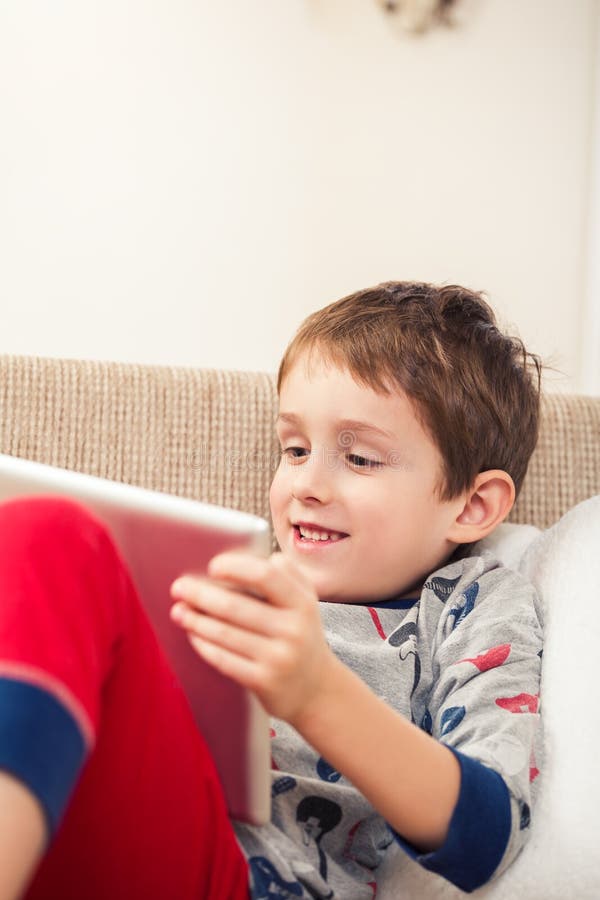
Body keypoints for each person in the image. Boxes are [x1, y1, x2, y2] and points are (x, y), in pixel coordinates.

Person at [0, 281, 542, 900]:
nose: (305, 484)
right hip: (88, 819)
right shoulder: (230, 568)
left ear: (472, 505)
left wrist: (316, 693)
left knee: (53, 535)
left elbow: (490, 830)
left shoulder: (470, 602)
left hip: (251, 877)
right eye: (294, 448)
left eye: (360, 458)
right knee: (33, 538)